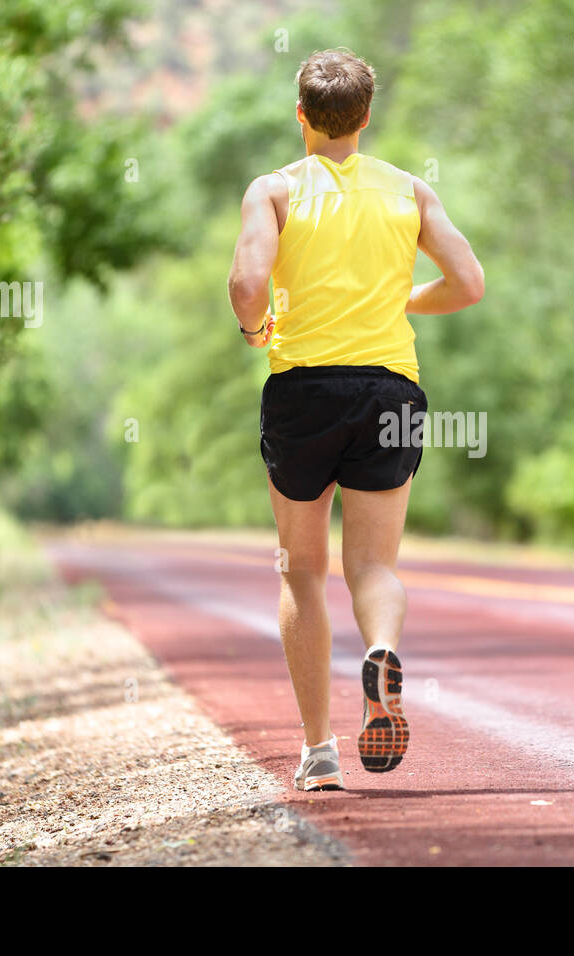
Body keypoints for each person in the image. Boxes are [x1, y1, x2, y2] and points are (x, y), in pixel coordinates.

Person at [226, 48, 484, 790]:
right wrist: (402, 299)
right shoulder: (409, 191)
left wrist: (255, 331)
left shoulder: (274, 191)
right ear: (366, 118)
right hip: (390, 393)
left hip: (304, 390)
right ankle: (381, 649)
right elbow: (468, 284)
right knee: (373, 565)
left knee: (301, 569)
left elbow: (248, 284)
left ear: (301, 116)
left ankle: (319, 753)